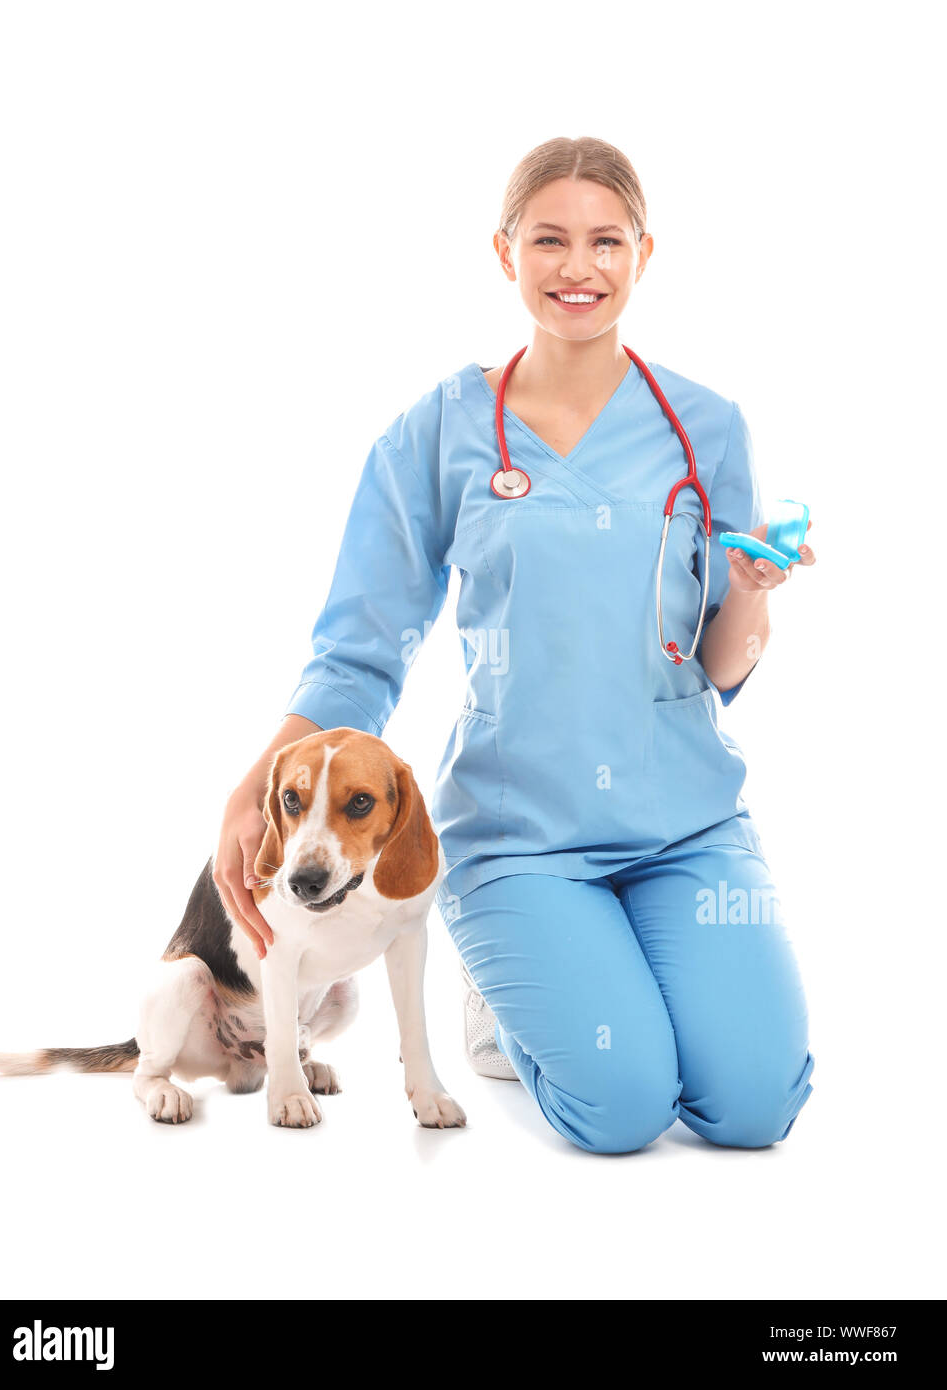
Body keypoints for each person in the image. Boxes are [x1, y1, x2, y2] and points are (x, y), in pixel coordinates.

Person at [214, 135, 815, 1155]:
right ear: (504, 252)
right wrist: (255, 779)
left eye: (606, 241)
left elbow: (717, 667)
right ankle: (504, 1002)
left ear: (644, 254)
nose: (579, 266)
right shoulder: (438, 431)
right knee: (622, 1109)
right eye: (548, 240)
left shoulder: (708, 427)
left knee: (756, 1105)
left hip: (685, 826)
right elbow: (362, 647)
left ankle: (603, 968)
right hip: (521, 834)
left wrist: (753, 597)